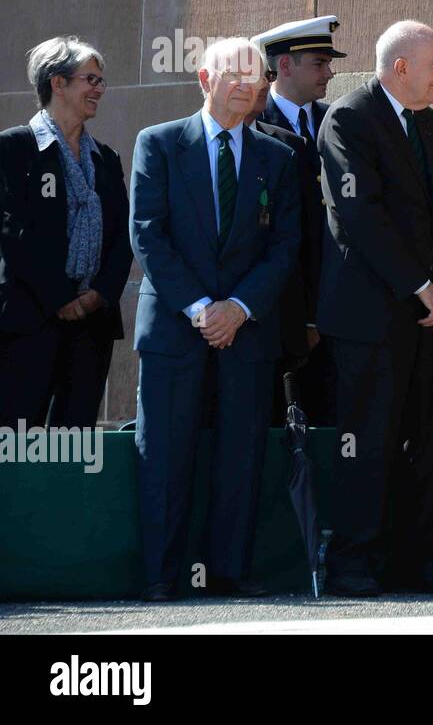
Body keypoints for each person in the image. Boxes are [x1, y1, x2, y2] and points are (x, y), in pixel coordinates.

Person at [130, 38, 301, 602]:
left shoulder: (277, 156)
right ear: (204, 78)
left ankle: (229, 572)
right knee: (166, 452)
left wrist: (239, 309)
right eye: (234, 74)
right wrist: (204, 309)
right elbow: (148, 236)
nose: (247, 85)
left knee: (241, 452)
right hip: (178, 328)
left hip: (246, 331)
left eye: (255, 76)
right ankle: (161, 575)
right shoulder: (157, 143)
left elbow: (284, 246)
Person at [316, 20, 433, 598]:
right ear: (401, 68)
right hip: (372, 316)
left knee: (432, 440)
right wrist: (420, 287)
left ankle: (421, 559)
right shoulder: (350, 119)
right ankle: (353, 560)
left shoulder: (427, 124)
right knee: (370, 438)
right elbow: (360, 217)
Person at [0, 37, 131, 428]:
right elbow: (13, 232)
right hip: (29, 322)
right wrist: (61, 297)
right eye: (90, 79)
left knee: (73, 446)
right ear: (57, 83)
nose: (99, 90)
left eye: (101, 81)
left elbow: (123, 238)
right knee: (18, 443)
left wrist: (98, 296)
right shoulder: (14, 147)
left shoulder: (106, 159)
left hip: (91, 329)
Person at [254, 15, 344, 422]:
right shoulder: (253, 126)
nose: (329, 72)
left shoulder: (340, 123)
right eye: (319, 63)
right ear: (285, 65)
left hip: (335, 305)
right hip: (276, 309)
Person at [241, 60, 322, 424]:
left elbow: (302, 238)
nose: (261, 84)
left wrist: (308, 317)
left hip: (278, 316)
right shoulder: (176, 144)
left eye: (266, 77)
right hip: (210, 319)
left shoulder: (287, 147)